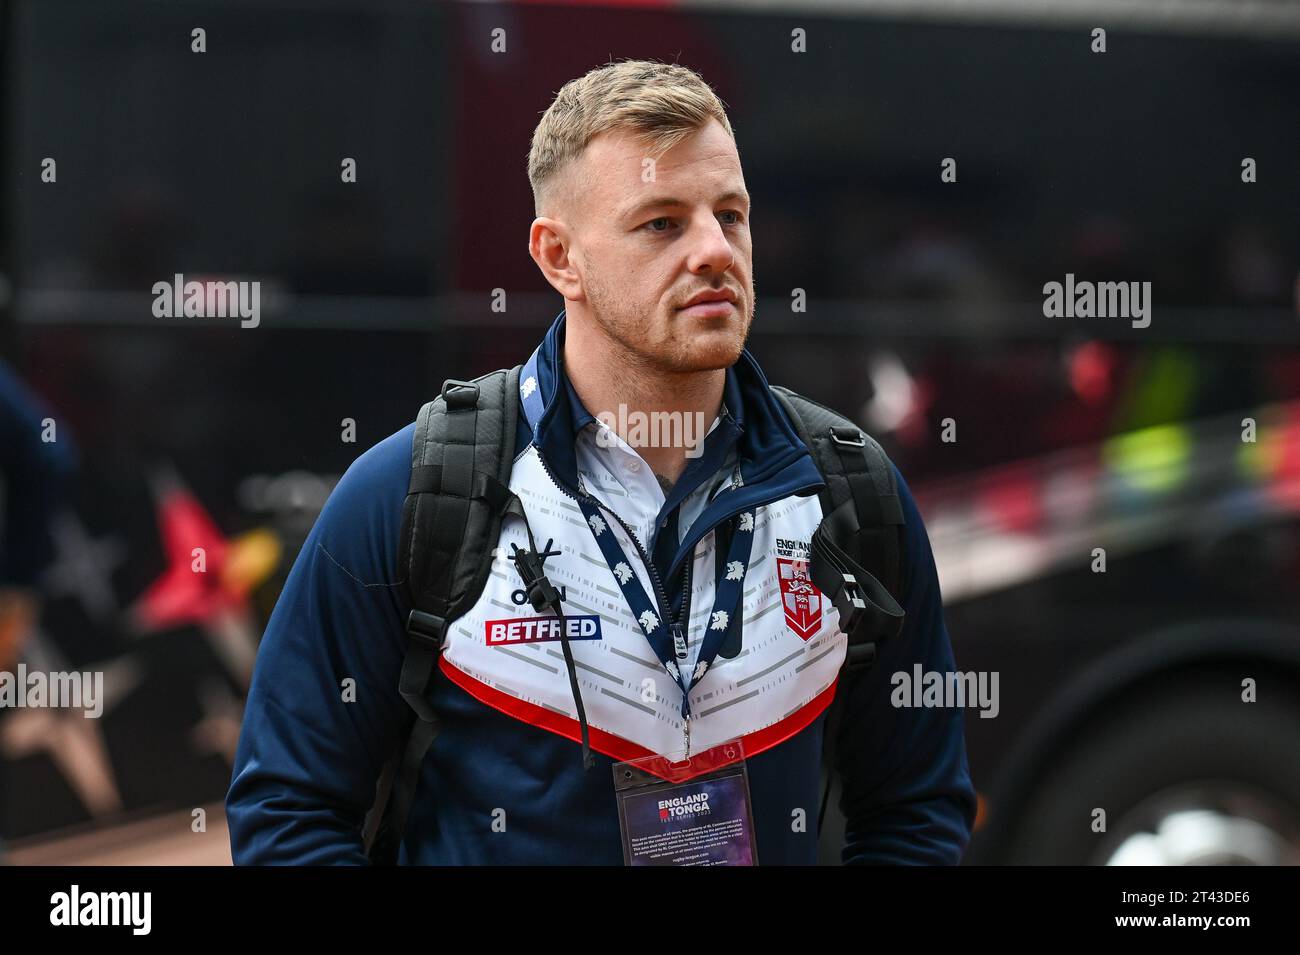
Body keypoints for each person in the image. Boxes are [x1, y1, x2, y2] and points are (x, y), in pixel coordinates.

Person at [226, 59, 976, 865]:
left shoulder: (854, 494)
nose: (715, 250)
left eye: (731, 213)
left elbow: (915, 809)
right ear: (559, 258)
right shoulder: (412, 491)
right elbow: (288, 814)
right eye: (662, 222)